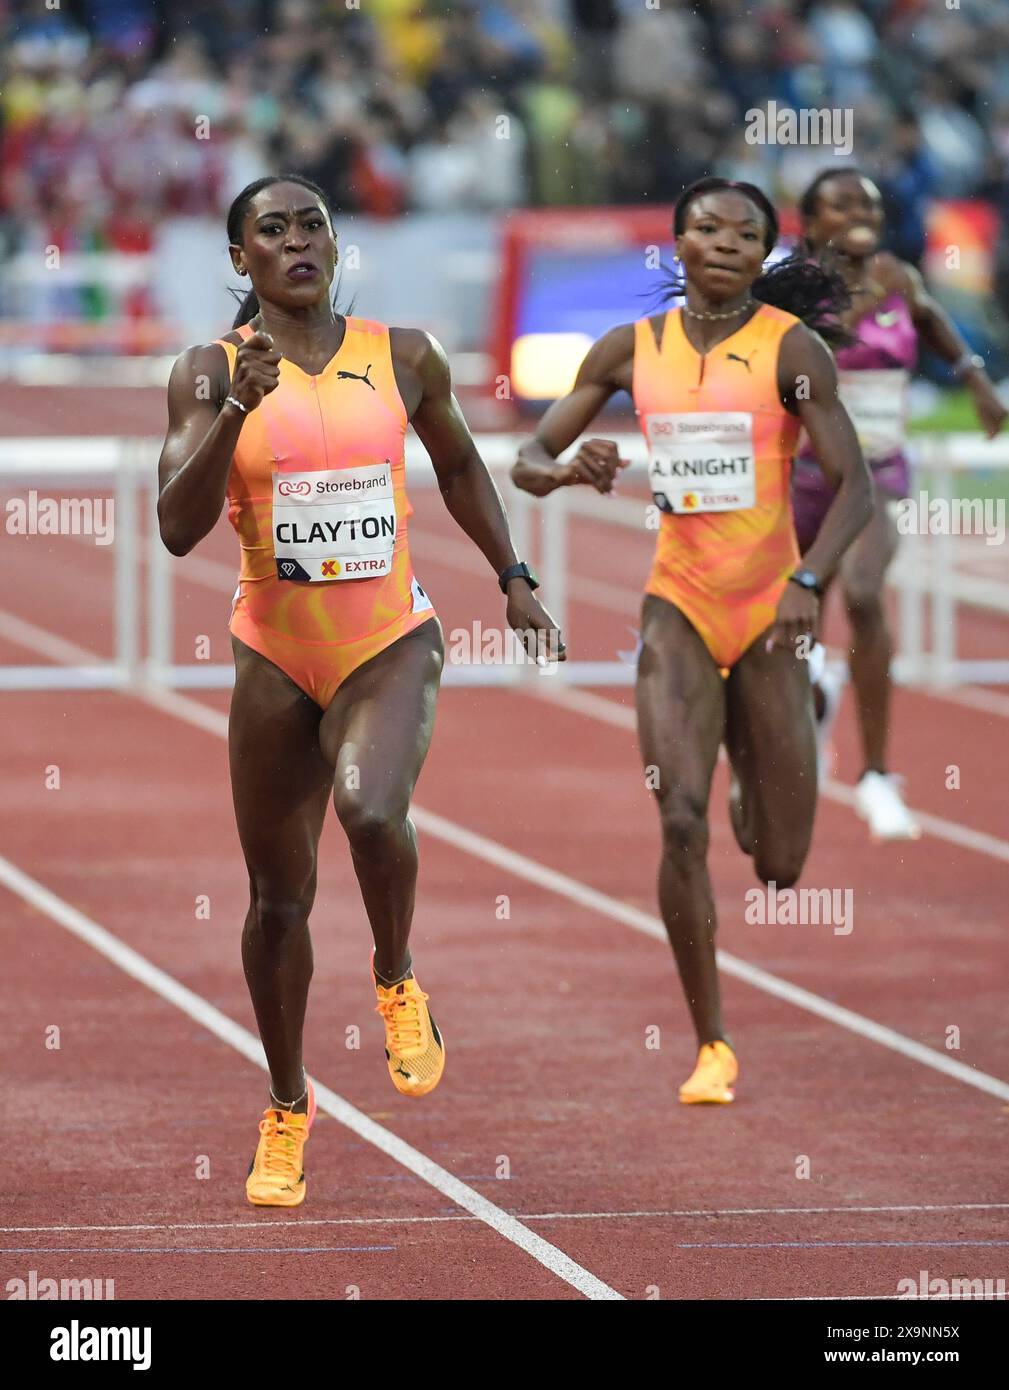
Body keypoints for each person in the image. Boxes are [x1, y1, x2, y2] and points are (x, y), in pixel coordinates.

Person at [157, 174, 562, 1206]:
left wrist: (513, 577)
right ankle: (287, 1106)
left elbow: (465, 467)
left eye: (312, 226)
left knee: (371, 806)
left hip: (389, 638)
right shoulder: (208, 372)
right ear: (239, 260)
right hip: (273, 655)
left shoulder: (407, 355)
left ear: (336, 245)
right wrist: (238, 407)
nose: (296, 242)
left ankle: (394, 976)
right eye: (271, 231)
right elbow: (174, 524)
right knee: (276, 902)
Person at [512, 177, 872, 1105]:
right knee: (677, 818)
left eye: (744, 234)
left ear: (762, 254)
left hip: (769, 612)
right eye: (706, 228)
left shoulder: (790, 351)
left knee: (778, 864)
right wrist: (566, 472)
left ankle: (774, 747)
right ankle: (710, 1041)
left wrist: (804, 582)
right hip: (676, 604)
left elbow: (854, 488)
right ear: (676, 245)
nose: (723, 243)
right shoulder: (630, 351)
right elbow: (526, 459)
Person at [794, 169, 1008, 838]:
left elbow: (938, 327)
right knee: (792, 614)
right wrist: (860, 307)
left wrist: (975, 381)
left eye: (868, 203)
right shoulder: (789, 285)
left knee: (861, 594)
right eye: (842, 203)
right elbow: (803, 357)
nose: (858, 212)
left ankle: (877, 775)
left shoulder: (899, 276)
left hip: (876, 472)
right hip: (799, 475)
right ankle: (806, 703)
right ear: (811, 221)